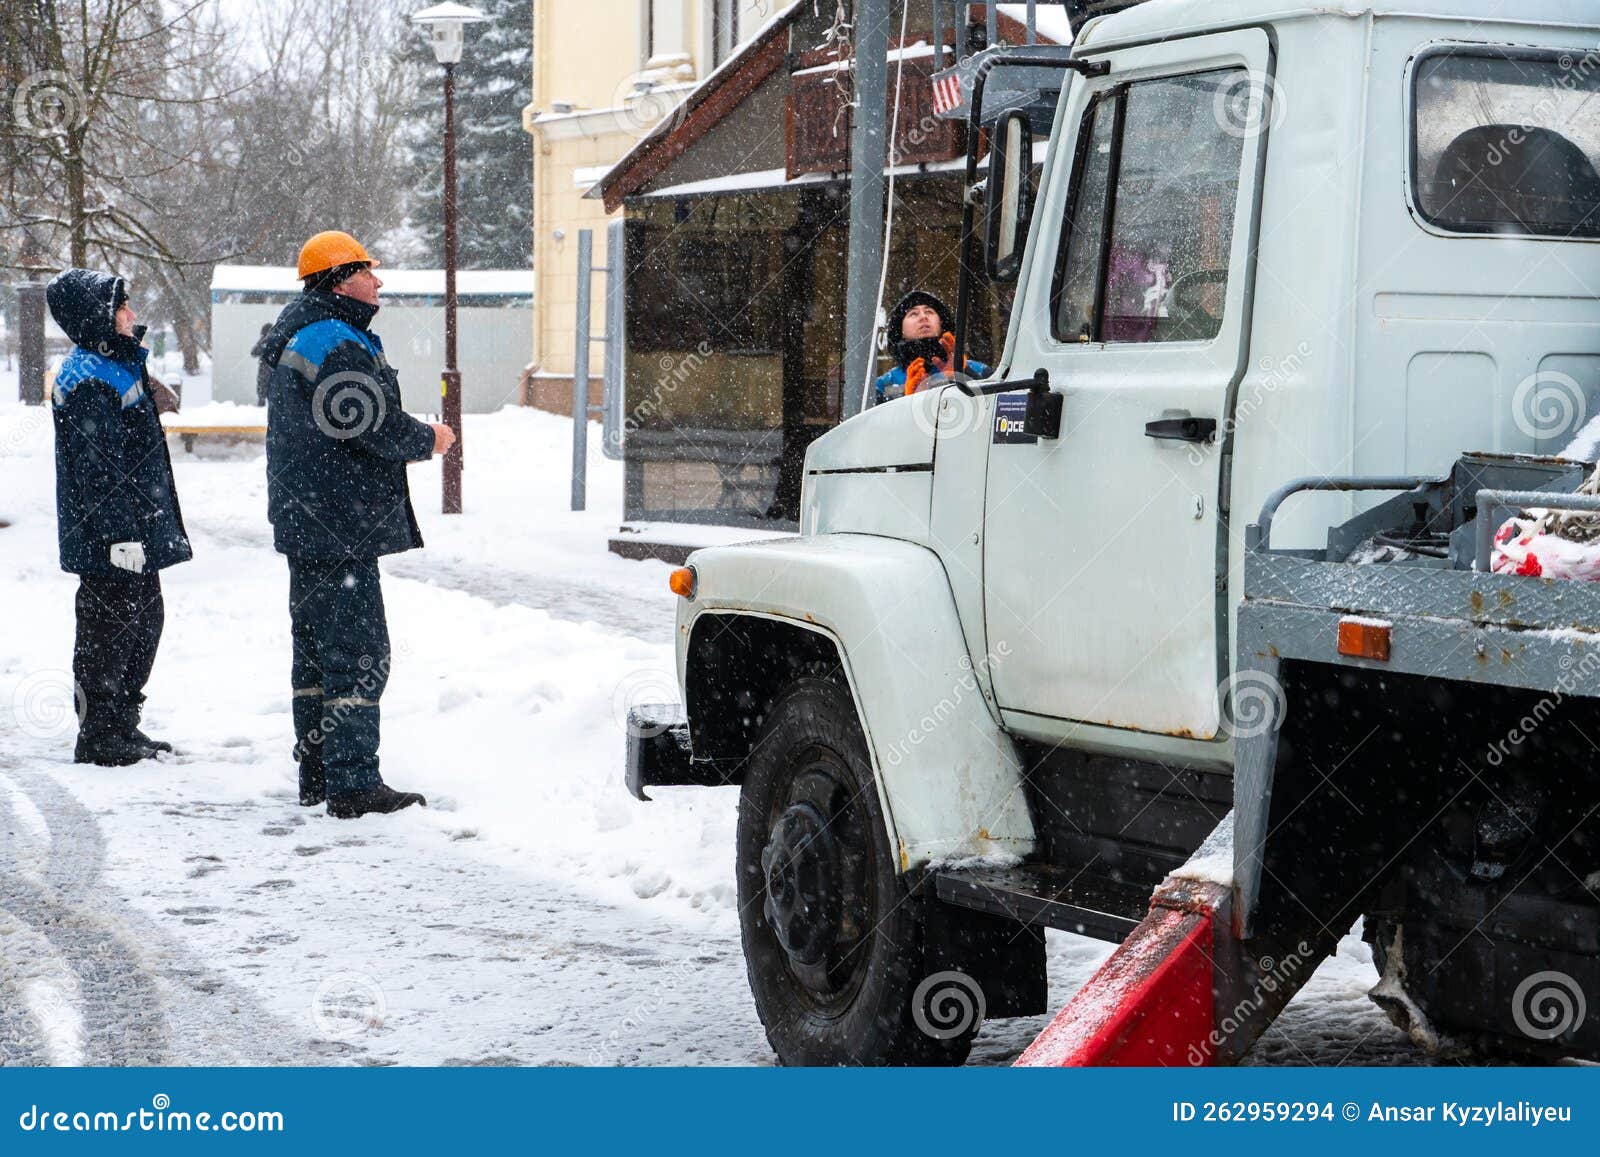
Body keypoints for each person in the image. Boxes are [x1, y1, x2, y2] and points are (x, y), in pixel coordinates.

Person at [258, 230, 455, 819]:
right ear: (341, 280)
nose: (379, 282)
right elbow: (367, 423)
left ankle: (318, 776)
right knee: (359, 651)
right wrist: (429, 438)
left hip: (312, 519)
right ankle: (352, 784)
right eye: (370, 272)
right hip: (338, 522)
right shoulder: (334, 340)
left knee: (317, 653)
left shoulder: (306, 333)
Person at [46, 269, 192, 766]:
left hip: (133, 529)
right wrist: (118, 537)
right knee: (108, 634)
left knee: (143, 624)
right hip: (110, 537)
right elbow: (98, 469)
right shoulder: (88, 376)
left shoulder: (115, 363)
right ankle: (100, 735)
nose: (131, 314)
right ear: (98, 316)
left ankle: (121, 723)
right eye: (122, 306)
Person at [872, 290, 988, 405]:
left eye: (929, 311)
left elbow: (996, 408)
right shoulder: (882, 386)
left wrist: (965, 374)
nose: (923, 317)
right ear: (900, 331)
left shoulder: (980, 371)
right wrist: (908, 401)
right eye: (913, 314)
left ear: (941, 324)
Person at [250, 322, 273, 406]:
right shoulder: (264, 342)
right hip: (266, 372)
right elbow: (253, 352)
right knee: (262, 394)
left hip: (269, 371)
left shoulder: (274, 341)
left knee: (268, 395)